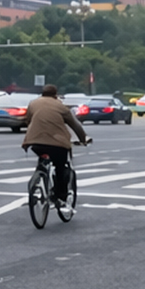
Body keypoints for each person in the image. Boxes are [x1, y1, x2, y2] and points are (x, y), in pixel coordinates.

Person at [22, 84, 89, 215]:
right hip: (57, 143)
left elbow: (28, 121)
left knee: (43, 156)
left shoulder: (33, 103)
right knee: (61, 166)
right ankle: (61, 197)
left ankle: (39, 175)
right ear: (55, 94)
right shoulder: (60, 106)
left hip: (34, 141)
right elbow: (75, 125)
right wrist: (83, 139)